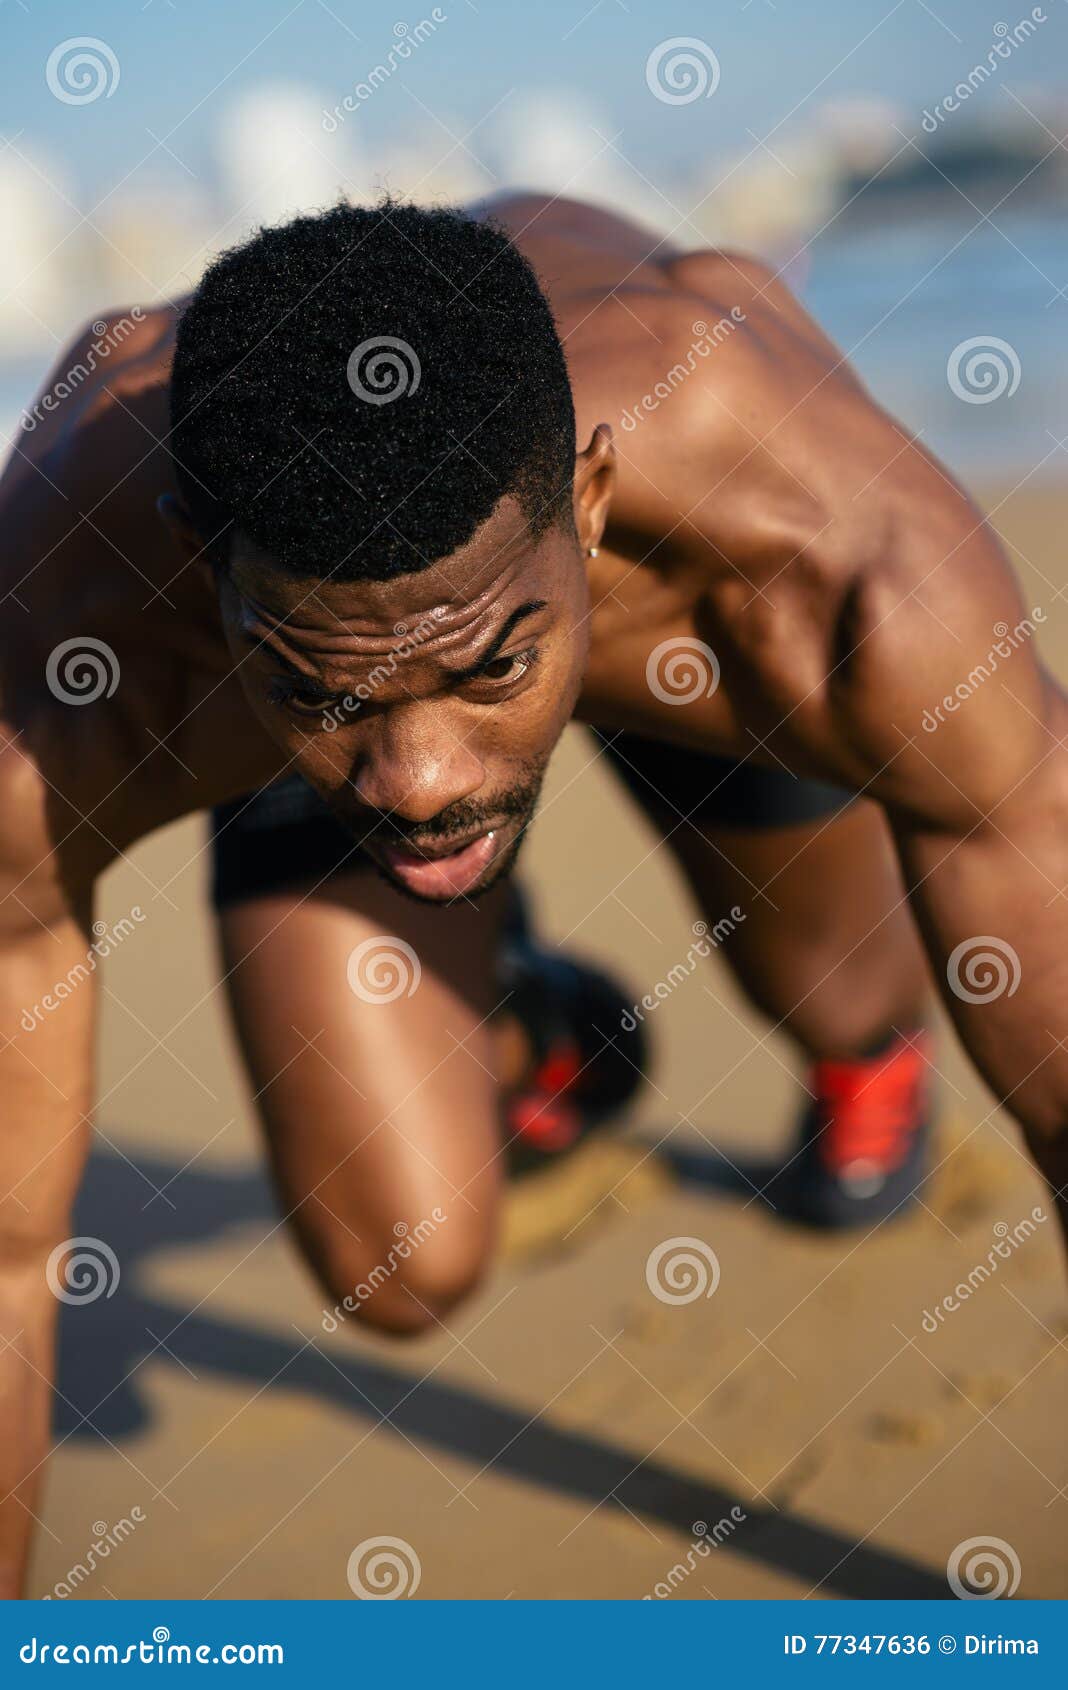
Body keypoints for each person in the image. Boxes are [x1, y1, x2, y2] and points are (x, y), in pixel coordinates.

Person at [1, 192, 1062, 1601]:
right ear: (209, 568)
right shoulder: (64, 632)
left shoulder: (828, 546)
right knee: (399, 1262)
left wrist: (369, 692)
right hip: (291, 676)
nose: (425, 779)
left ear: (591, 500)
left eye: (487, 668)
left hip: (691, 646)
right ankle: (523, 1016)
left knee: (841, 989)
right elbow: (9, 1255)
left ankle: (864, 1052)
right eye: (335, 691)